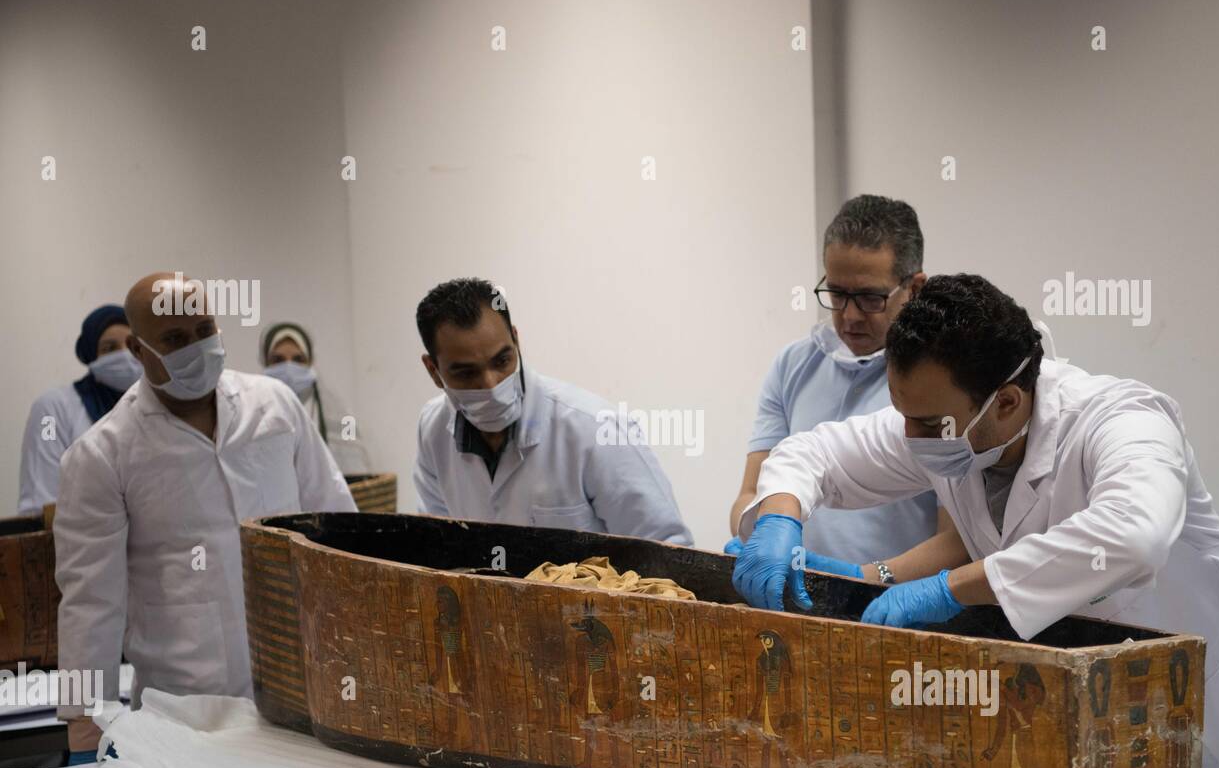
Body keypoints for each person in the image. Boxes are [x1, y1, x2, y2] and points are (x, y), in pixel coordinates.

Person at [732, 273, 1219, 768]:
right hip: (1112, 713)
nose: (910, 439)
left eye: (927, 423)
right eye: (904, 416)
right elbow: (816, 454)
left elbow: (1135, 536)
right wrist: (780, 520)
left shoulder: (1121, 420)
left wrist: (949, 589)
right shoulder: (948, 428)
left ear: (1005, 402)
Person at [55, 272, 356, 764]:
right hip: (186, 717)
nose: (196, 348)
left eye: (203, 330)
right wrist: (87, 734)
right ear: (137, 348)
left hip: (303, 695)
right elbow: (90, 606)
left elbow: (338, 528)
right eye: (174, 339)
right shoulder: (103, 456)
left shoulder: (274, 407)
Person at [727, 195, 947, 574]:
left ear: (914, 288)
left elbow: (957, 539)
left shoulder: (943, 380)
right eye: (837, 293)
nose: (850, 316)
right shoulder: (793, 365)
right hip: (799, 596)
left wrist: (867, 580)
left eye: (869, 298)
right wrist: (758, 535)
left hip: (902, 605)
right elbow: (751, 493)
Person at [413, 277, 692, 545]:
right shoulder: (433, 430)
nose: (491, 385)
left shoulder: (595, 428)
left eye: (502, 360)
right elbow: (440, 545)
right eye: (466, 373)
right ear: (433, 370)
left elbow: (667, 548)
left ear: (516, 340)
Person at [17, 305, 143, 514]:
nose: (124, 357)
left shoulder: (158, 407)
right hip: (80, 541)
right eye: (109, 348)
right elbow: (43, 503)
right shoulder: (53, 410)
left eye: (131, 346)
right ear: (90, 354)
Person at [261, 321, 371, 474]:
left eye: (298, 359)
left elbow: (356, 471)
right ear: (265, 362)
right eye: (278, 360)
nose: (289, 367)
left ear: (310, 361)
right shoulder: (252, 412)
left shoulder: (339, 413)